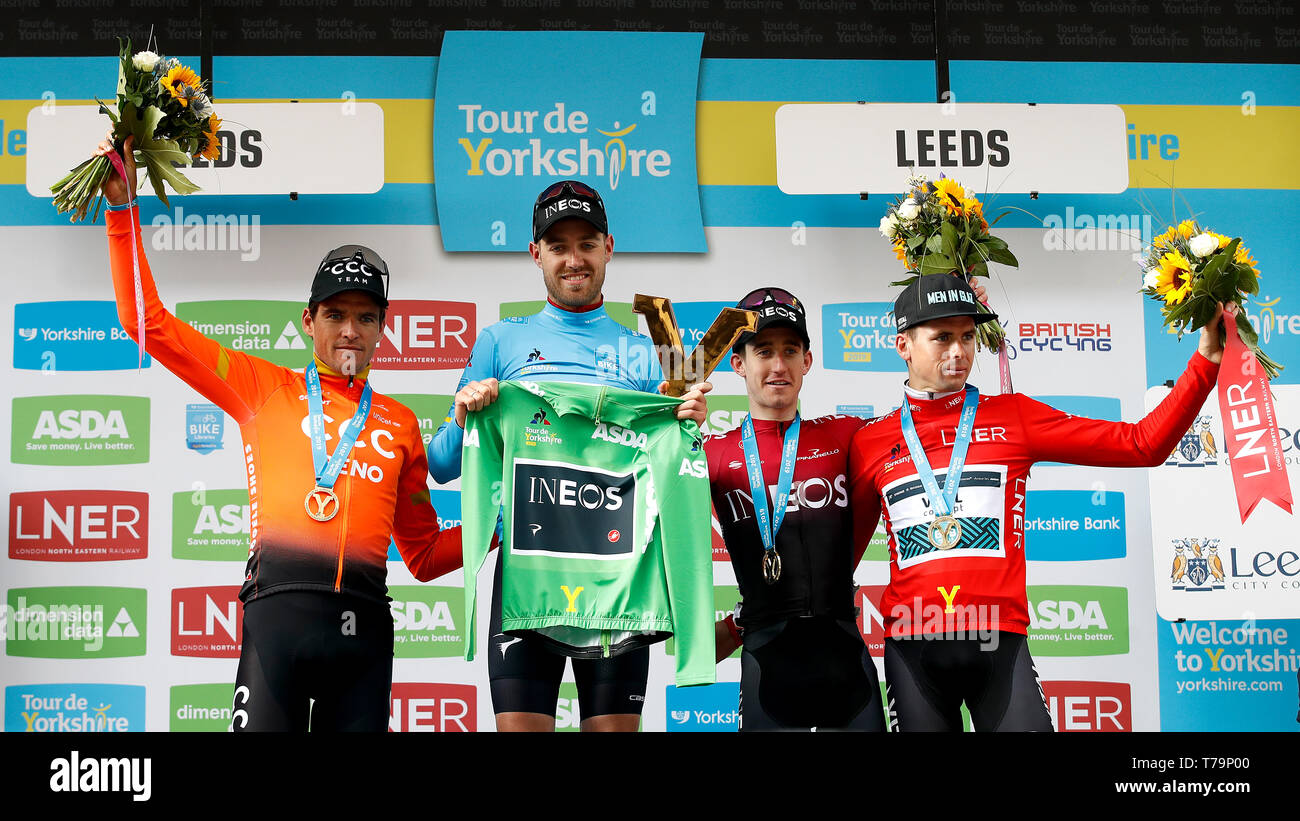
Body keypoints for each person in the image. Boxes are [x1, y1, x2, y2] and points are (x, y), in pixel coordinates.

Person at [96, 136, 465, 731]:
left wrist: (506, 525)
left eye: (366, 317)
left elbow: (423, 556)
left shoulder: (399, 423)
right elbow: (149, 325)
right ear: (308, 321)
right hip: (276, 626)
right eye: (336, 314)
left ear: (382, 329)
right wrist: (120, 213)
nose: (351, 330)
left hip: (363, 638)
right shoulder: (260, 387)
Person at [848, 273, 1224, 731]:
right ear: (903, 345)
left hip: (999, 641)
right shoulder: (869, 441)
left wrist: (1206, 361)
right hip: (912, 648)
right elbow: (838, 559)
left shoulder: (1014, 417)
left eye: (968, 336)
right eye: (942, 337)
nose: (958, 351)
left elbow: (1143, 444)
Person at [426, 179, 712, 732]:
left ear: (609, 246)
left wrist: (690, 427)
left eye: (586, 243)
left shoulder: (648, 352)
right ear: (536, 254)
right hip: (526, 575)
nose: (574, 259)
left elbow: (675, 469)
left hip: (618, 578)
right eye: (558, 247)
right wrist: (463, 415)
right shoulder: (499, 341)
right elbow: (440, 464)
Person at [706, 287, 886, 731]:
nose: (778, 365)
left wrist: (960, 302)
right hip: (769, 664)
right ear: (739, 364)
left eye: (791, 350)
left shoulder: (848, 435)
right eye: (763, 351)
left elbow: (930, 417)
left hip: (847, 659)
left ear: (807, 361)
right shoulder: (711, 452)